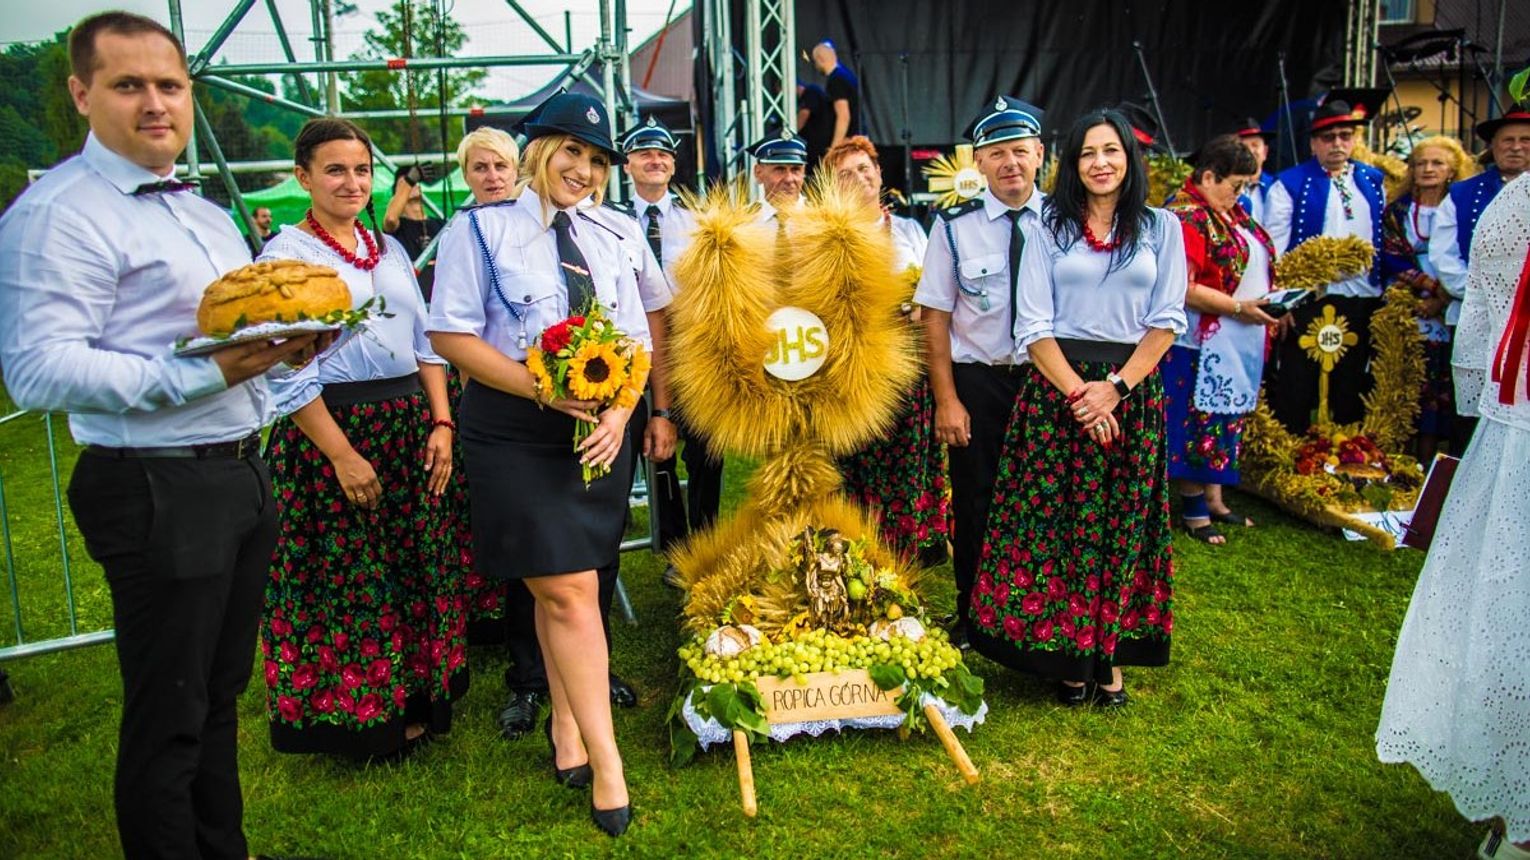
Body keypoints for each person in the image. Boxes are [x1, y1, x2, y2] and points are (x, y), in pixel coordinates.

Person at [0, 12, 321, 858]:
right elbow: (37, 369)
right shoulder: (58, 214)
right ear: (81, 93)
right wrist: (206, 375)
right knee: (169, 716)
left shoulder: (204, 211)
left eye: (169, 85)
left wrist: (296, 346)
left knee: (218, 701)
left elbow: (236, 331)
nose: (155, 104)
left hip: (235, 474)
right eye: (128, 84)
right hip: (154, 485)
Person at [429, 92, 647, 837]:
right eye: (570, 153)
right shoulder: (481, 232)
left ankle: (564, 722)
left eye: (595, 160)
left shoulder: (618, 232)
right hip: (516, 434)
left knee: (567, 596)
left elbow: (640, 342)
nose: (582, 170)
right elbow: (452, 334)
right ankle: (607, 763)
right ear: (535, 152)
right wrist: (544, 390)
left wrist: (619, 415)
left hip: (595, 436)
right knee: (572, 591)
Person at [258, 117, 467, 759]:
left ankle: (416, 693)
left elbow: (425, 338)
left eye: (361, 169)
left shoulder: (388, 248)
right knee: (350, 571)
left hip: (409, 421)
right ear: (304, 178)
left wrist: (442, 422)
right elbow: (284, 368)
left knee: (410, 563)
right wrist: (343, 454)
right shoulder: (285, 257)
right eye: (335, 170)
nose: (352, 182)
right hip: (332, 429)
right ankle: (360, 712)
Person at [969, 108, 1187, 706]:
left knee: (1120, 527)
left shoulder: (1162, 228)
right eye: (1089, 152)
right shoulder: (1049, 228)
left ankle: (1108, 654)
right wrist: (1080, 396)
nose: (1100, 163)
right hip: (1058, 392)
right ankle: (1065, 656)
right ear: (1072, 163)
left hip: (1130, 394)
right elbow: (1033, 325)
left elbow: (1167, 319)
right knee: (1057, 528)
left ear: (1129, 159)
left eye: (1111, 151)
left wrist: (1114, 389)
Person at [1376, 170, 1530, 860]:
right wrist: (1483, 404)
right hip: (1523, 431)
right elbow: (1490, 302)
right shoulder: (1519, 204)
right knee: (1508, 615)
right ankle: (1516, 809)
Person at [912, 95, 1047, 648]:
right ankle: (973, 613)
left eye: (1020, 151)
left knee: (1044, 497)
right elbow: (935, 319)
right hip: (979, 380)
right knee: (975, 498)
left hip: (1048, 380)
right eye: (997, 153)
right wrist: (947, 400)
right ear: (979, 163)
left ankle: (1039, 608)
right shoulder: (953, 227)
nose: (1010, 162)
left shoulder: (1065, 224)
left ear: (1040, 154)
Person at [828, 135, 948, 563]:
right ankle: (859, 544)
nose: (859, 178)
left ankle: (909, 545)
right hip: (855, 371)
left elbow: (936, 291)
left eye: (865, 169)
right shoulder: (826, 238)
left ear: (880, 174)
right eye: (846, 173)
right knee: (856, 459)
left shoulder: (913, 231)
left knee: (907, 458)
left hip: (910, 369)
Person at [617, 116, 721, 589]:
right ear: (628, 163)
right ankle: (674, 545)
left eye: (663, 155)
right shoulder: (612, 220)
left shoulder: (699, 218)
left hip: (693, 348)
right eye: (644, 154)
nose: (655, 161)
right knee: (656, 450)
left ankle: (706, 543)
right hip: (637, 349)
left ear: (673, 164)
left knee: (704, 454)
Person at [1163, 135, 1281, 545]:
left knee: (1222, 419)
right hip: (1197, 339)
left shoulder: (1230, 213)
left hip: (1234, 336)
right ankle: (1194, 507)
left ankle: (1215, 498)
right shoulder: (1186, 217)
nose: (1241, 194)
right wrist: (1237, 307)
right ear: (1209, 176)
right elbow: (1183, 286)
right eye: (1236, 185)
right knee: (1197, 422)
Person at [1263, 98, 1386, 432]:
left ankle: (1344, 452)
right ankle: (1294, 456)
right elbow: (1272, 249)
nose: (1337, 144)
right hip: (1308, 300)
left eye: (1345, 136)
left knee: (1351, 380)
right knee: (1298, 382)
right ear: (1313, 143)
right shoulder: (1289, 183)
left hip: (1361, 297)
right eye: (1328, 137)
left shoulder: (1372, 181)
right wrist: (1281, 302)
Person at [1428, 102, 1530, 452]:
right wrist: (1484, 296)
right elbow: (1444, 256)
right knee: (1471, 412)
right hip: (1478, 319)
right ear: (1494, 147)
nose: (1516, 147)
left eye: (1525, 140)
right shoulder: (1463, 194)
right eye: (1508, 140)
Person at [452, 125, 517, 650]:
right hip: (495, 394)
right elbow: (456, 330)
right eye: (480, 167)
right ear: (466, 175)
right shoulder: (463, 231)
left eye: (500, 165)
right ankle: (521, 662)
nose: (492, 176)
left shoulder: (538, 222)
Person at [1380, 135, 1476, 460]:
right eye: (1420, 163)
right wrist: (1426, 291)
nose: (1428, 169)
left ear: (1452, 170)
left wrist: (1443, 298)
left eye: (1437, 163)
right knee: (1406, 384)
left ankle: (1430, 462)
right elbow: (1390, 255)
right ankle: (1399, 458)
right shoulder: (1399, 210)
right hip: (1408, 307)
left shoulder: (1463, 208)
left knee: (1439, 389)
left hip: (1450, 306)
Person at [383, 162, 446, 298]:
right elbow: (390, 219)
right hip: (413, 295)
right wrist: (409, 181)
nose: (411, 185)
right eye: (404, 184)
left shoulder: (440, 224)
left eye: (414, 182)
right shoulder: (397, 228)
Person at [749, 129, 808, 224]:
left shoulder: (826, 221)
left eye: (796, 169)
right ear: (758, 173)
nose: (789, 179)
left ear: (803, 172)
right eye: (779, 169)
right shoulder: (741, 222)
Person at [810, 39, 861, 147]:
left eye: (815, 61)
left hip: (847, 142)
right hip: (854, 139)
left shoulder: (836, 80)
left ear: (820, 59)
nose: (815, 66)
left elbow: (843, 116)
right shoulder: (846, 75)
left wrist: (835, 146)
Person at [1233, 117, 1277, 223]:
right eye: (1243, 147)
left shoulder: (1277, 187)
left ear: (1265, 152)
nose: (1250, 151)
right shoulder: (1226, 187)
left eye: (1255, 145)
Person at [796, 80, 836, 174]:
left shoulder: (810, 92)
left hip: (818, 148)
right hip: (816, 149)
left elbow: (804, 114)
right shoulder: (811, 93)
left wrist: (790, 133)